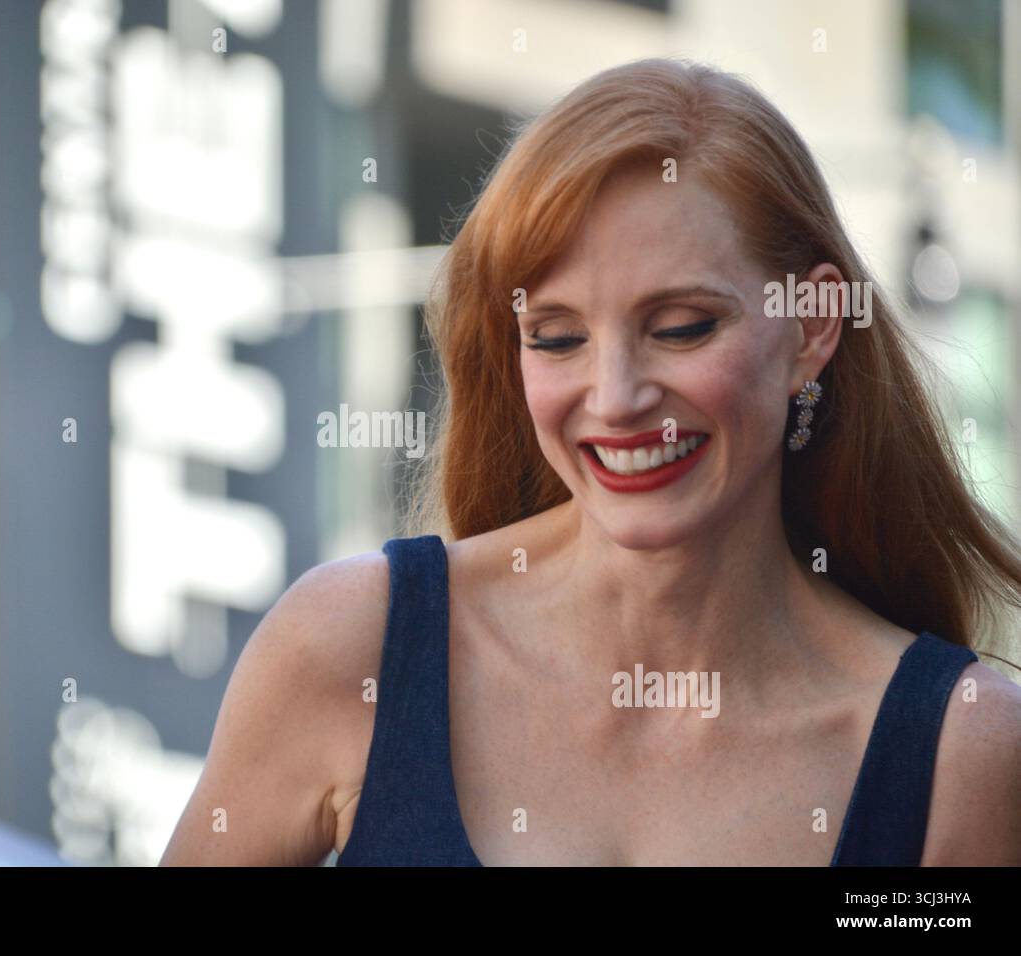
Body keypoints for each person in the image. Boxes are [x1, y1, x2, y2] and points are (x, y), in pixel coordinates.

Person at [160, 58, 1021, 867]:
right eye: (558, 337)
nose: (614, 397)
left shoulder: (960, 757)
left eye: (682, 327)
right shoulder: (352, 647)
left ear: (813, 327)